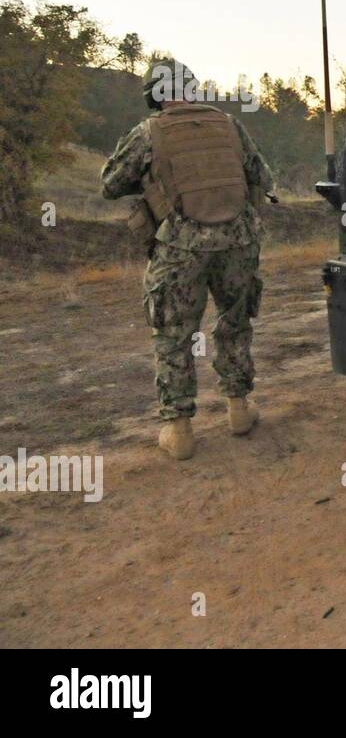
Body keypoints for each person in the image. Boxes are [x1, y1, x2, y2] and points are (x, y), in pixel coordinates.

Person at [101, 60, 275, 460]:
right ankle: (238, 411)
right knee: (234, 323)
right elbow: (263, 176)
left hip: (181, 247)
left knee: (174, 334)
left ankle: (178, 430)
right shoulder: (230, 125)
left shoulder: (149, 131)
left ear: (155, 96)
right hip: (239, 240)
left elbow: (110, 184)